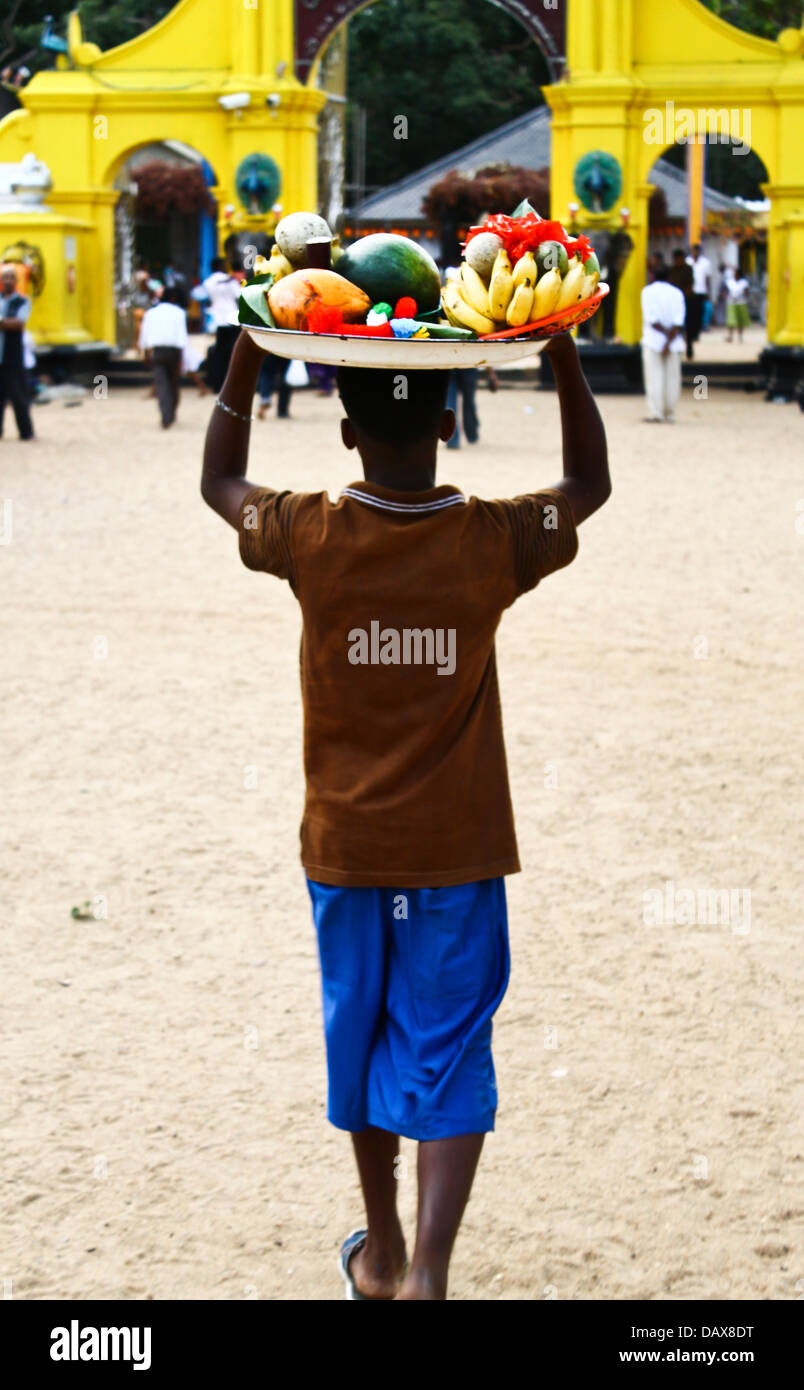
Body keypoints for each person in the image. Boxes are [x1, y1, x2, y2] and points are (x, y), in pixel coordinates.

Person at [200, 329, 611, 1300]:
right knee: (451, 1047)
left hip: (345, 851)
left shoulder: (309, 531)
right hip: (458, 854)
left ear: (345, 433)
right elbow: (587, 484)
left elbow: (220, 480)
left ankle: (381, 1254)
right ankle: (430, 1272)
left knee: (365, 1042)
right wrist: (562, 358)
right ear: (444, 420)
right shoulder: (491, 538)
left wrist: (251, 356)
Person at [641, 260, 686, 424]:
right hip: (673, 342)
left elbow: (651, 319)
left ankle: (656, 412)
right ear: (669, 276)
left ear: (653, 275)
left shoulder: (647, 292)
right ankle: (669, 412)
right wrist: (669, 340)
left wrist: (664, 339)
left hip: (653, 340)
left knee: (654, 377)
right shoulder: (677, 293)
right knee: (672, 378)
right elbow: (678, 321)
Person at [139, 284, 188, 428]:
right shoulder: (178, 312)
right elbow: (182, 337)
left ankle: (166, 414)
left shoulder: (151, 313)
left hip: (157, 351)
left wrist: (146, 354)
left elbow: (145, 335)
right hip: (174, 352)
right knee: (173, 383)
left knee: (162, 385)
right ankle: (170, 411)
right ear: (173, 298)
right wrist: (181, 358)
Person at [0, 263, 34, 441]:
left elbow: (18, 323)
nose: (7, 281)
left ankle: (26, 432)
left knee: (19, 396)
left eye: (11, 277)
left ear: (16, 280)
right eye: (4, 277)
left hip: (12, 357)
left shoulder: (22, 301)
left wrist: (3, 322)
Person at [202, 257, 241, 392]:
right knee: (234, 353)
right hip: (232, 320)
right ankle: (233, 384)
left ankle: (218, 384)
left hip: (218, 321)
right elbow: (239, 295)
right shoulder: (230, 280)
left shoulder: (208, 282)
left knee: (220, 354)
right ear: (220, 266)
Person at [685, 243, 712, 360]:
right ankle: (689, 334)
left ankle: (695, 333)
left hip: (700, 291)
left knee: (698, 313)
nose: (695, 253)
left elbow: (707, 278)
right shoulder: (687, 261)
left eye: (697, 251)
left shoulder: (705, 263)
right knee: (689, 314)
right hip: (689, 292)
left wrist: (708, 291)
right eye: (693, 251)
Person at [446, 368, 479, 449]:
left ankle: (452, 439)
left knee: (450, 401)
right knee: (469, 401)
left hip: (451, 365)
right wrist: (491, 373)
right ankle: (472, 434)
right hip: (469, 364)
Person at [256, 354, 291, 420]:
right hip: (286, 350)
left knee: (266, 373)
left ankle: (265, 397)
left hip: (269, 348)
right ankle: (282, 411)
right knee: (285, 377)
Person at [724, 268, 751, 343]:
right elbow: (725, 290)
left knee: (740, 321)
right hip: (732, 302)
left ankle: (740, 336)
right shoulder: (730, 282)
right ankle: (730, 335)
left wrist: (744, 294)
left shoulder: (744, 282)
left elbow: (746, 291)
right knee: (731, 320)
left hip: (741, 302)